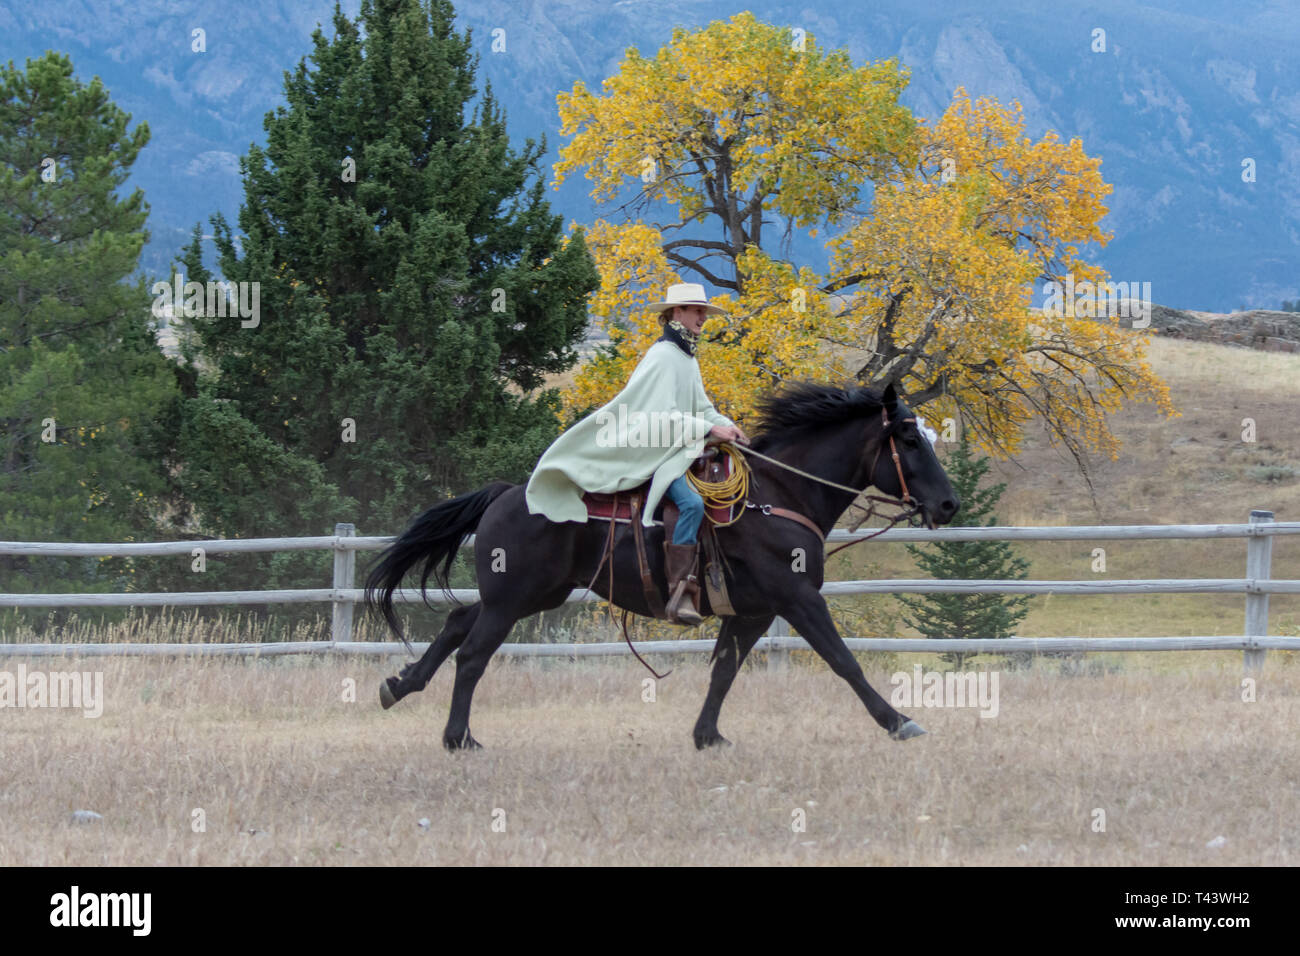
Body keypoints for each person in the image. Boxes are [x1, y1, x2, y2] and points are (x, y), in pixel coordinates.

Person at [525, 283, 748, 625]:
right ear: (677, 313)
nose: (703, 317)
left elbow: (702, 407)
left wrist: (726, 425)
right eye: (697, 310)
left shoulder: (686, 357)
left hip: (679, 445)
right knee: (692, 504)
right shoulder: (663, 357)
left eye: (704, 311)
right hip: (659, 452)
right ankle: (681, 591)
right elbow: (658, 418)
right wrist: (708, 431)